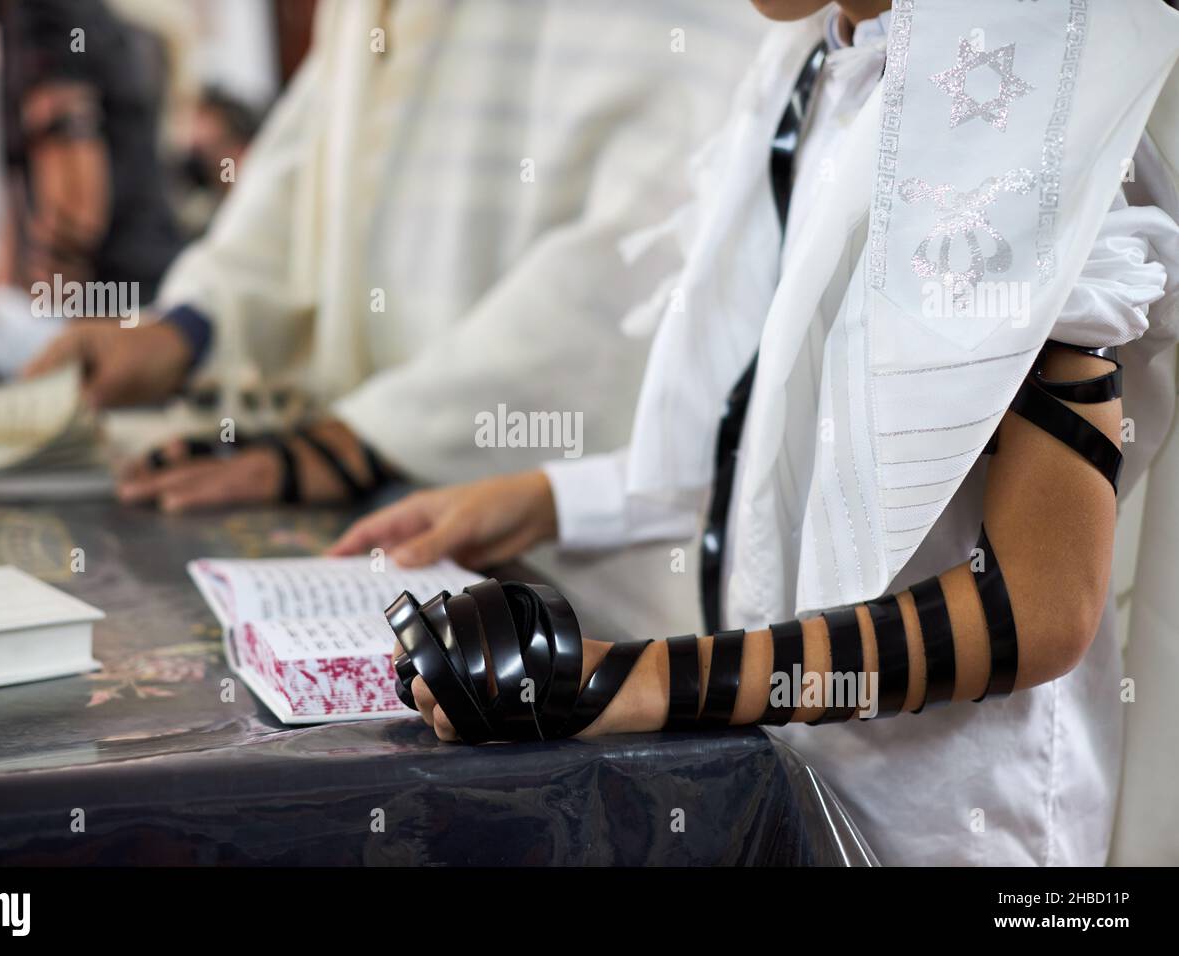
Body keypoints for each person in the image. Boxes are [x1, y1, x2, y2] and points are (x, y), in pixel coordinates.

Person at [330, 0, 1179, 866]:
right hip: (800, 779)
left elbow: (1041, 607)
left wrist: (634, 679)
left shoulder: (1035, 100)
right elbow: (796, 447)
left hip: (957, 826)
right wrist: (546, 500)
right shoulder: (819, 64)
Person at [23, 0, 763, 523]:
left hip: (570, 558)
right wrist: (187, 328)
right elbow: (308, 163)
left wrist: (365, 440)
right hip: (371, 497)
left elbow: (637, 259)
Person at [0, 0, 185, 384]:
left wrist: (66, 341)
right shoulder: (34, 20)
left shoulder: (45, 12)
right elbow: (27, 194)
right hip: (119, 303)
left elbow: (75, 201)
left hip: (106, 314)